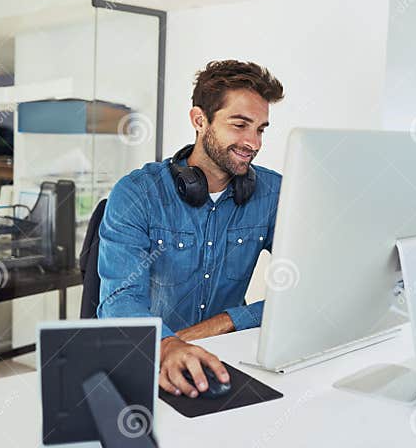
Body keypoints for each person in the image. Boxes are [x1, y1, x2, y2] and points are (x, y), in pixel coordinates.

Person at [97, 60, 284, 398]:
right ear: (200, 120)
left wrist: (225, 322)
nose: (253, 143)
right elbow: (118, 301)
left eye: (260, 129)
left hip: (230, 357)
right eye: (240, 125)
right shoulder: (138, 193)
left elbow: (306, 291)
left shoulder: (273, 193)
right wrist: (168, 344)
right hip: (150, 360)